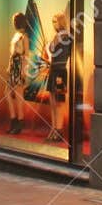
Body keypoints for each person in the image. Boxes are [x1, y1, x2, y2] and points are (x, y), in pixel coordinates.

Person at [44, 12, 73, 144]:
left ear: (61, 22)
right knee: (52, 103)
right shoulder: (57, 37)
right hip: (53, 69)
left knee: (58, 103)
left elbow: (57, 51)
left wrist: (52, 44)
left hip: (60, 71)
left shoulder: (66, 37)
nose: (53, 24)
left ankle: (59, 130)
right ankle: (54, 128)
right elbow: (50, 51)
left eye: (55, 21)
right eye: (52, 21)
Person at [4, 12, 28, 135]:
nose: (13, 23)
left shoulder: (24, 36)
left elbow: (26, 55)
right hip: (13, 64)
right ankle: (14, 119)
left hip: (19, 66)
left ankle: (19, 121)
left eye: (14, 21)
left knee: (19, 95)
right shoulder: (16, 35)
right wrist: (9, 67)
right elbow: (12, 53)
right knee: (7, 92)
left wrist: (24, 71)